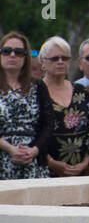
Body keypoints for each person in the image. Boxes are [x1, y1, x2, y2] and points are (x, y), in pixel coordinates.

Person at [39, 35, 89, 177]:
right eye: (54, 58)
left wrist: (84, 164)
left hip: (81, 172)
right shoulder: (35, 92)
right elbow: (33, 134)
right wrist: (52, 163)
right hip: (46, 172)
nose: (60, 62)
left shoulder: (81, 90)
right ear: (43, 62)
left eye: (64, 58)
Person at [0, 31, 54, 180]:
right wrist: (10, 149)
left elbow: (49, 124)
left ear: (25, 57)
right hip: (3, 160)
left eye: (18, 52)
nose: (12, 55)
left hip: (33, 162)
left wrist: (34, 151)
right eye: (6, 51)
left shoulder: (38, 86)